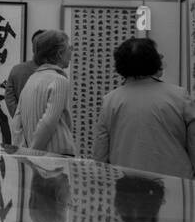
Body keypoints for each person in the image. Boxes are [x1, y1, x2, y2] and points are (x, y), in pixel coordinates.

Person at [92, 37, 195, 178]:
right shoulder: (180, 96)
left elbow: (100, 152)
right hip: (175, 182)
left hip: (127, 183)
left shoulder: (110, 101)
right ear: (155, 61)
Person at [15, 29, 77, 156]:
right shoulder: (59, 80)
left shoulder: (31, 79)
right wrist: (33, 152)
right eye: (70, 48)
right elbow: (49, 121)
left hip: (33, 155)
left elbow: (16, 123)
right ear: (59, 53)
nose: (71, 53)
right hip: (55, 157)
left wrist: (24, 152)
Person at [4, 28, 45, 139]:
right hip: (42, 132)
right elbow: (9, 97)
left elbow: (9, 98)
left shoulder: (17, 69)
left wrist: (20, 119)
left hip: (22, 130)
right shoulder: (18, 70)